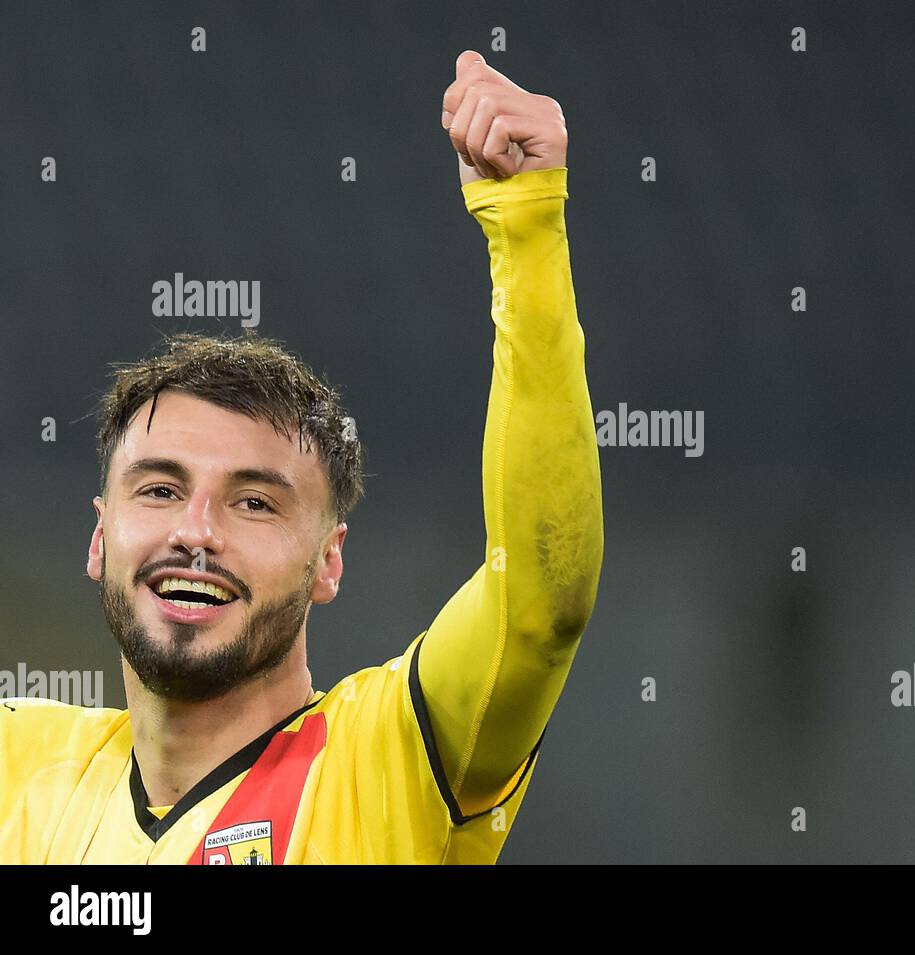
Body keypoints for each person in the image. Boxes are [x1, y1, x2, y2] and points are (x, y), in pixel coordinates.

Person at [0, 50, 602, 864]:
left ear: (328, 561)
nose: (196, 531)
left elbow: (539, 603)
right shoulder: (25, 770)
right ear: (100, 537)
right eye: (159, 489)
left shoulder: (387, 757)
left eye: (254, 501)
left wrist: (526, 221)